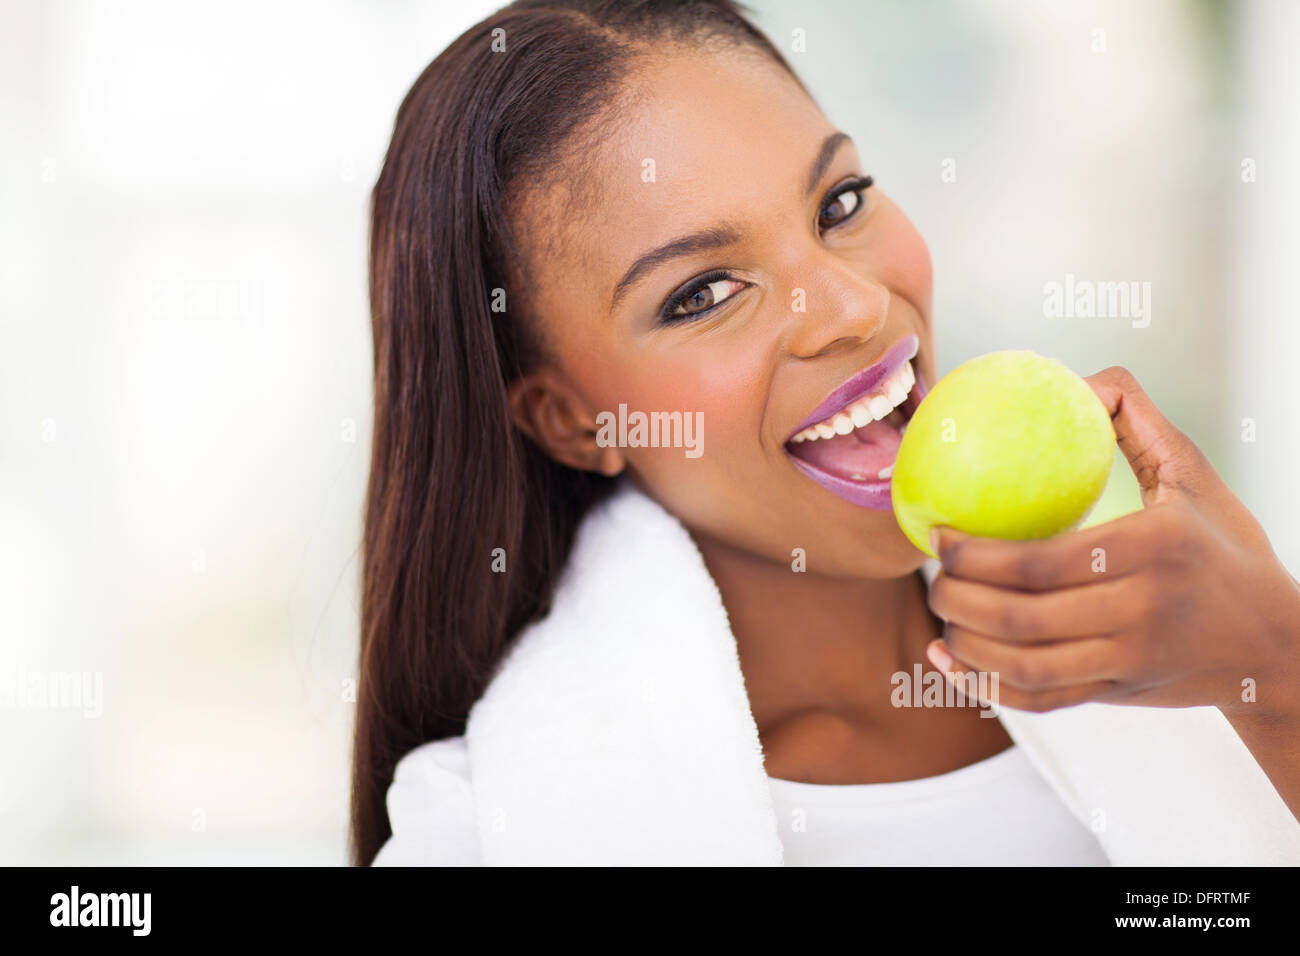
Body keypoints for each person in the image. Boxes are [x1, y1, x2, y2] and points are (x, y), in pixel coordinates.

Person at [354, 0, 1300, 866]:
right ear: (569, 420)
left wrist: (1277, 671)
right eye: (702, 293)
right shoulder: (486, 834)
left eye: (838, 205)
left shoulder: (1219, 647)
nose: (852, 306)